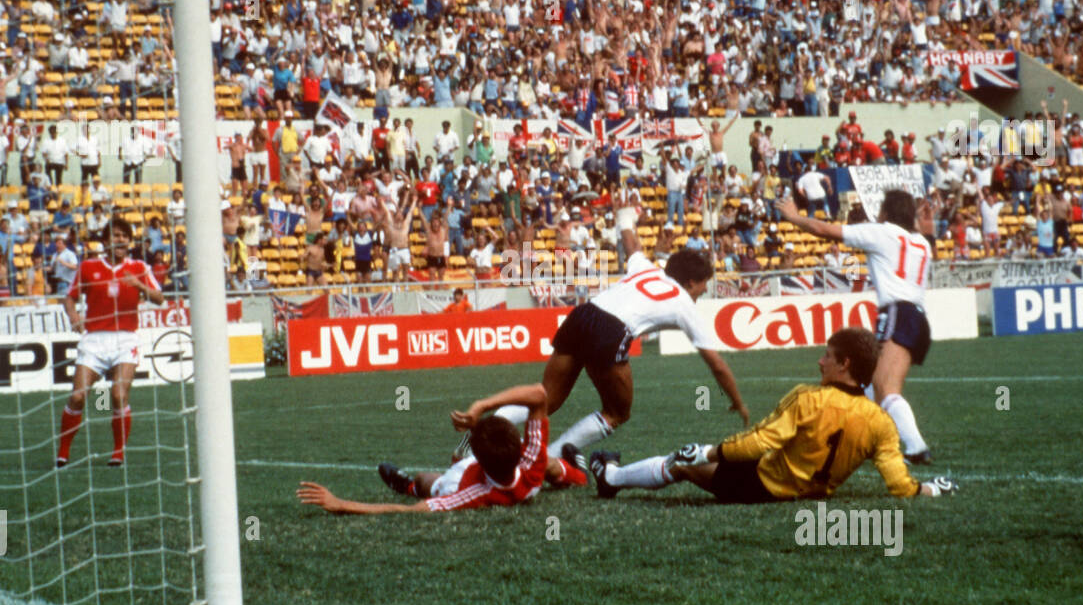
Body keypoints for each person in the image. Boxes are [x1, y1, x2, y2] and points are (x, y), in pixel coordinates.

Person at [573, 328, 958, 502]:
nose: (819, 360)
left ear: (844, 364)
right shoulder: (879, 421)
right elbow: (899, 483)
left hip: (766, 485)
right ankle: (615, 475)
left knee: (682, 461)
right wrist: (931, 489)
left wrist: (707, 453)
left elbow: (760, 441)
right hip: (813, 489)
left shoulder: (808, 398)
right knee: (704, 454)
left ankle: (610, 477)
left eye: (826, 355)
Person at [540, 204, 750, 463]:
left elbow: (630, 244)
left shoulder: (646, 268)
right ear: (691, 283)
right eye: (704, 284)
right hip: (606, 320)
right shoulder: (682, 300)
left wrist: (626, 218)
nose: (705, 290)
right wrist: (738, 401)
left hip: (585, 311)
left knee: (546, 399)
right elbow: (717, 365)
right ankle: (549, 455)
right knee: (617, 412)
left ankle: (491, 431)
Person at [776, 189, 936, 463]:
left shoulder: (882, 232)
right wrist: (927, 222)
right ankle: (845, 442)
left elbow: (822, 229)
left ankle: (916, 448)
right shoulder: (922, 242)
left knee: (886, 389)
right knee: (870, 387)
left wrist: (793, 217)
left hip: (898, 312)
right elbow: (926, 235)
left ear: (886, 212)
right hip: (917, 317)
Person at [296, 383, 577, 515]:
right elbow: (539, 395)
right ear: (519, 446)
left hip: (461, 476)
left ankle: (406, 484)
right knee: (550, 463)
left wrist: (341, 504)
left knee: (429, 481)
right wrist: (483, 408)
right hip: (525, 478)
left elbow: (411, 511)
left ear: (478, 459)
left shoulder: (473, 492)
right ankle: (578, 474)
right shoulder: (530, 463)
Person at [56, 218, 164, 469]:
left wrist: (138, 285)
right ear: (105, 241)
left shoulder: (139, 267)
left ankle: (118, 452)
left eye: (124, 235)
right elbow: (69, 298)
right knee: (78, 396)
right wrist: (74, 317)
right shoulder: (88, 267)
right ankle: (63, 452)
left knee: (117, 394)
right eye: (114, 235)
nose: (120, 239)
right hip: (94, 340)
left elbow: (160, 298)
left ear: (129, 241)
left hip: (125, 339)